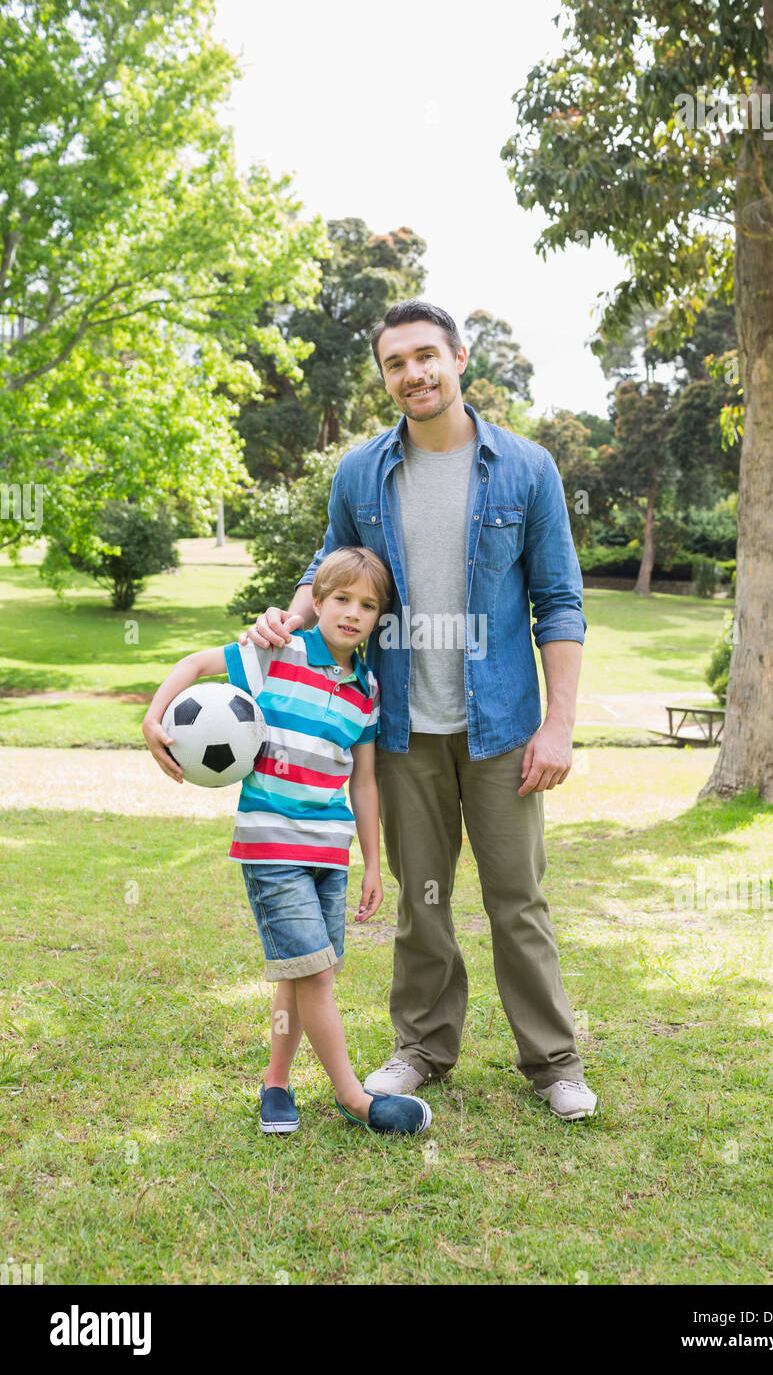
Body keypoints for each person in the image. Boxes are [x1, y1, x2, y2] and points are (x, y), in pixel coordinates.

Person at [241, 299, 597, 1122]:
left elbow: (560, 600)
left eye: (426, 357)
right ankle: (423, 1050)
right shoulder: (361, 472)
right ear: (386, 377)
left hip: (503, 726)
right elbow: (326, 567)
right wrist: (289, 617)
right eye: (396, 364)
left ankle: (553, 1063)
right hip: (399, 726)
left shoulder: (526, 468)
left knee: (519, 900)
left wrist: (559, 722)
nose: (414, 375)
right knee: (422, 898)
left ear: (460, 356)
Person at [142, 545, 432, 1138]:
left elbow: (366, 779)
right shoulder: (278, 653)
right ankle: (355, 1097)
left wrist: (373, 863)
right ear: (317, 601)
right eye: (342, 599)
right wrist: (154, 717)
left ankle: (276, 1084)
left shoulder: (366, 689)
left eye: (368, 605)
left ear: (379, 619)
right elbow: (196, 666)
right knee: (317, 975)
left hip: (330, 850)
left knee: (301, 974)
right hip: (272, 844)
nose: (353, 612)